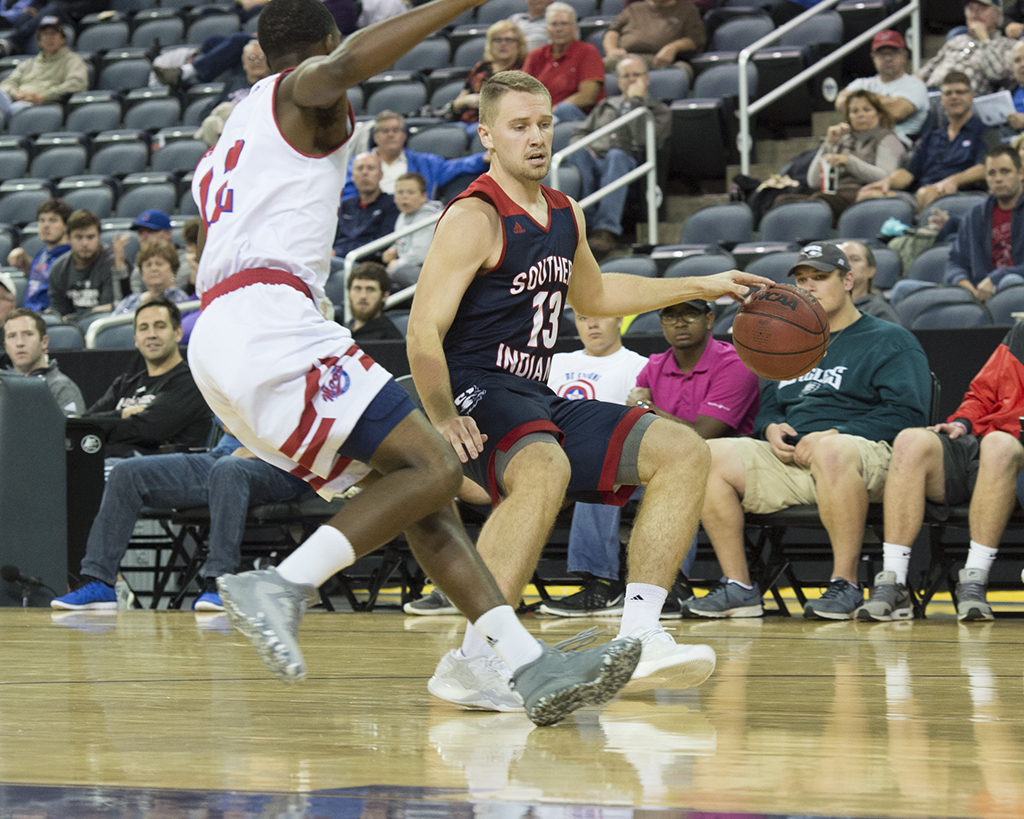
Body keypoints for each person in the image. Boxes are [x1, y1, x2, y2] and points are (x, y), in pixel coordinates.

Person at [188, 0, 644, 727]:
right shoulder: (298, 93)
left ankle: (527, 666)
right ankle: (282, 583)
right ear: (324, 44)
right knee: (435, 465)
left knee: (420, 495)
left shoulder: (228, 139)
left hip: (217, 334)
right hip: (270, 318)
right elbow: (336, 71)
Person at [407, 69, 773, 707]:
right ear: (488, 136)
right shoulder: (474, 214)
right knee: (542, 466)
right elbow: (420, 331)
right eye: (520, 126)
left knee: (683, 450)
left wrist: (703, 283)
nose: (537, 137)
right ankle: (478, 657)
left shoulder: (563, 212)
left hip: (534, 393)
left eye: (544, 123)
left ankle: (640, 636)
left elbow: (598, 296)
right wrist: (440, 414)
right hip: (475, 388)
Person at [690, 242, 930, 620]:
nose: (809, 286)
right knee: (707, 454)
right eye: (802, 280)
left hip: (866, 458)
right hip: (795, 459)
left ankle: (845, 584)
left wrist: (836, 432)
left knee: (832, 453)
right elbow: (769, 407)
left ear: (849, 279)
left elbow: (908, 415)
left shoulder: (890, 339)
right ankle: (739, 587)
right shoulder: (787, 343)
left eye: (820, 277)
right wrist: (769, 428)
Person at [856, 321, 1024, 622]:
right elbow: (983, 394)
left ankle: (973, 581)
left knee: (999, 444)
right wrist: (961, 422)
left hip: (1013, 452)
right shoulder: (1022, 332)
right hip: (979, 441)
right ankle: (893, 581)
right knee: (911, 440)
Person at [50, 426, 311, 613]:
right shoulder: (232, 364)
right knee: (126, 473)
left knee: (228, 469)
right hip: (223, 457)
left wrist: (261, 447)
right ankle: (100, 581)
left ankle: (221, 583)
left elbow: (317, 428)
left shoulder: (293, 363)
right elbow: (230, 425)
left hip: (283, 467)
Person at [535, 312, 648, 617]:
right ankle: (488, 585)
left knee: (599, 471)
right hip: (551, 457)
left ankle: (601, 584)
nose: (592, 324)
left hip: (609, 461)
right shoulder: (555, 363)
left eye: (601, 317)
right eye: (583, 318)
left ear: (620, 320)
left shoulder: (639, 366)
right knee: (507, 481)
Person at [890, 145, 1024, 305]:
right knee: (902, 289)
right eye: (991, 173)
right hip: (976, 293)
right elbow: (955, 261)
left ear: (1021, 173)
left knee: (1011, 281)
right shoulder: (975, 215)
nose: (998, 179)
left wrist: (995, 279)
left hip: (1014, 290)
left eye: (1005, 171)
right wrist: (963, 284)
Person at [564, 55, 671, 254]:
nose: (631, 79)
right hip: (598, 159)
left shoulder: (659, 111)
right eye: (625, 76)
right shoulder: (606, 105)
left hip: (632, 163)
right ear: (619, 81)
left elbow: (643, 139)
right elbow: (579, 133)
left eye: (636, 75)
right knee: (578, 153)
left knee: (616, 156)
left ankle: (605, 230)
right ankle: (582, 224)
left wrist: (637, 102)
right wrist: (586, 148)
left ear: (646, 78)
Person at [83, 298, 211, 458]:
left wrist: (106, 425)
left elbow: (148, 430)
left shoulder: (190, 382)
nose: (151, 335)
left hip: (161, 473)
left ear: (178, 333)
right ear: (136, 339)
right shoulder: (124, 383)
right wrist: (122, 415)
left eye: (160, 326)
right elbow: (83, 424)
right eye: (144, 328)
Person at [857, 72, 988, 212]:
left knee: (926, 194)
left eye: (960, 92)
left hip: (962, 195)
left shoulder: (985, 131)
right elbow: (908, 173)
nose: (954, 97)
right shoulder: (931, 137)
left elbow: (985, 167)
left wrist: (953, 180)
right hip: (919, 194)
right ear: (942, 99)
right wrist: (887, 182)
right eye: (948, 93)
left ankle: (923, 233)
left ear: (971, 95)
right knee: (866, 195)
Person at [775, 90, 905, 224]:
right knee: (783, 202)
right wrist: (828, 143)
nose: (860, 115)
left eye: (866, 109)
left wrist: (849, 161)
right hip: (833, 195)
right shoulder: (843, 140)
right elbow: (813, 182)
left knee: (821, 201)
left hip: (863, 195)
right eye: (854, 111)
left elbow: (885, 178)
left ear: (879, 114)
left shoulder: (888, 139)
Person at [342, 111, 489, 199]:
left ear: (404, 135)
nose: (391, 135)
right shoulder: (359, 163)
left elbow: (455, 166)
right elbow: (348, 197)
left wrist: (483, 158)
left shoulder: (423, 162)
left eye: (396, 130)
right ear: (375, 136)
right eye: (385, 131)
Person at [834, 30, 928, 148]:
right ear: (873, 57)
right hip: (859, 143)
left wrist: (860, 100)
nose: (887, 58)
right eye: (881, 54)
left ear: (904, 55)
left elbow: (897, 111)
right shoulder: (862, 82)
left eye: (893, 52)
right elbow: (841, 102)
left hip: (897, 143)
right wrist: (886, 101)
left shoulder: (915, 84)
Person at [522, 3, 604, 121]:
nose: (559, 29)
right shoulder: (535, 55)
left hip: (574, 117)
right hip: (540, 116)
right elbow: (523, 93)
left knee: (565, 109)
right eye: (554, 24)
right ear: (547, 29)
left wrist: (550, 112)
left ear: (574, 28)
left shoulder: (588, 51)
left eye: (564, 24)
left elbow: (587, 96)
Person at [916, 0, 1014, 95]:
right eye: (970, 9)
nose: (975, 14)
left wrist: (984, 39)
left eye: (981, 9)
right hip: (932, 92)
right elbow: (930, 67)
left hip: (966, 100)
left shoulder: (1007, 44)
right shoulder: (957, 39)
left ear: (997, 15)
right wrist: (916, 80)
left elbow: (998, 74)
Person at [2, 307, 84, 415]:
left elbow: (71, 431)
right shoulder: (2, 386)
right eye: (12, 336)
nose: (19, 343)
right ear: (5, 346)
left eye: (28, 334)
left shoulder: (61, 388)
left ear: (44, 342)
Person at [0, 15, 86, 114]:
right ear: (39, 41)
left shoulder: (73, 60)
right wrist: (16, 94)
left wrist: (45, 95)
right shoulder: (29, 63)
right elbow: (7, 83)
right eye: (45, 34)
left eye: (53, 34)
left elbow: (76, 84)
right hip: (18, 99)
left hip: (45, 105)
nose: (49, 38)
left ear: (63, 39)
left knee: (17, 108)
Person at [452, 20, 527, 133]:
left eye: (508, 40)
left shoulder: (523, 68)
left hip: (497, 124)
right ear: (490, 44)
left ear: (519, 44)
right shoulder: (481, 67)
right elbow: (457, 103)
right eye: (497, 40)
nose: (503, 44)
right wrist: (468, 100)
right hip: (465, 122)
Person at [195, 39, 272, 147]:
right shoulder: (234, 82)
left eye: (261, 57)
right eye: (251, 58)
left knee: (227, 108)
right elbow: (208, 111)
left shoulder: (271, 84)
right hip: (226, 134)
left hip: (254, 132)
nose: (256, 61)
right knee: (212, 121)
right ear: (244, 63)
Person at [46, 208, 116, 322]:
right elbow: (58, 311)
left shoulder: (111, 264)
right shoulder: (58, 269)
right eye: (79, 237)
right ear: (68, 238)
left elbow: (106, 311)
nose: (85, 243)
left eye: (90, 237)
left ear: (99, 237)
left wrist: (71, 319)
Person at [601, 0, 706, 74]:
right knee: (596, 68)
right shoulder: (633, 8)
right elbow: (612, 32)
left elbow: (695, 40)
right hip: (624, 57)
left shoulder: (687, 9)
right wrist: (612, 49)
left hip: (659, 61)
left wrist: (673, 47)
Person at [7, 197, 70, 313]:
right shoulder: (42, 254)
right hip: (28, 314)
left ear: (66, 226)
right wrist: (23, 257)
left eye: (53, 220)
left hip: (48, 317)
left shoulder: (70, 257)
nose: (45, 225)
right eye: (42, 220)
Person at [333, 151, 400, 259]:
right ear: (353, 176)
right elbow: (334, 238)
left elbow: (382, 244)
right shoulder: (346, 204)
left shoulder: (392, 204)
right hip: (337, 258)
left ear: (381, 175)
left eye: (370, 168)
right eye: (360, 168)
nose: (365, 173)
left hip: (366, 262)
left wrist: (339, 252)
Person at [382, 172, 443, 288]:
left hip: (432, 274)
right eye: (400, 192)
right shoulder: (402, 215)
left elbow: (420, 255)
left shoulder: (429, 217)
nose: (404, 196)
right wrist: (393, 249)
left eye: (411, 192)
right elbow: (402, 241)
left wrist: (396, 264)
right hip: (410, 268)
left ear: (423, 197)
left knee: (391, 273)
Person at [119, 210, 192, 297]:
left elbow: (177, 293)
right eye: (140, 232)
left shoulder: (185, 261)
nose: (144, 237)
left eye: (151, 231)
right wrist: (120, 265)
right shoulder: (140, 268)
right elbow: (135, 298)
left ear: (168, 233)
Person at [112, 240, 192, 317]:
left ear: (173, 269)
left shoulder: (181, 300)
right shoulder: (130, 301)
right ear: (141, 272)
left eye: (159, 264)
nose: (153, 268)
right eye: (148, 265)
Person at [838, 239, 899, 323]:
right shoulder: (824, 305)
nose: (846, 264)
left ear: (870, 271)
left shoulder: (880, 313)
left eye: (855, 259)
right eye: (842, 260)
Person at [345, 261, 403, 340]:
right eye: (358, 288)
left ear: (385, 295)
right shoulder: (342, 332)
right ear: (349, 292)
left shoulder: (390, 340)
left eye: (370, 289)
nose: (363, 296)